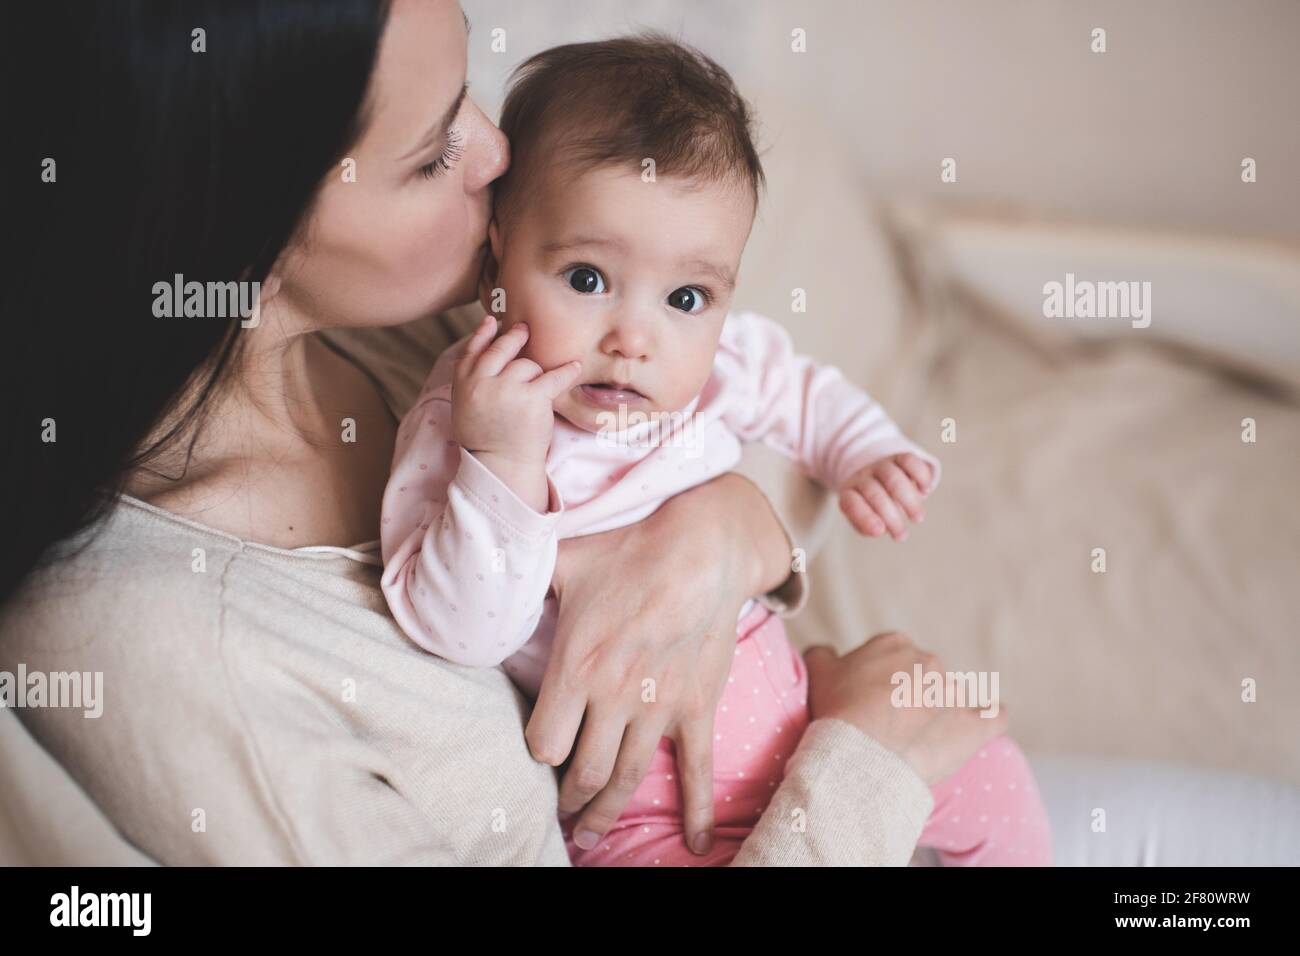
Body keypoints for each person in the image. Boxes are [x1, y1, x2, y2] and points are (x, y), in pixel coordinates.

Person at [0, 0, 1006, 864]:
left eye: (467, 91)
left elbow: (734, 408)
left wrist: (722, 529)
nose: (495, 151)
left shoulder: (439, 325)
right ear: (237, 217)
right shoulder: (182, 657)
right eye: (433, 147)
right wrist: (869, 772)